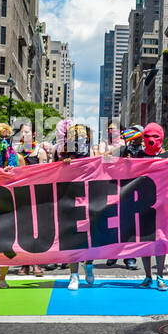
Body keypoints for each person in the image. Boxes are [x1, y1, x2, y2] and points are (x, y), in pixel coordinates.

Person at [125, 123, 168, 290]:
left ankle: (160, 276)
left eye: (155, 136)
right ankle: (147, 276)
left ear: (161, 137)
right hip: (143, 203)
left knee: (160, 242)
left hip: (163, 204)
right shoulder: (138, 155)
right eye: (147, 136)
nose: (151, 140)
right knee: (145, 241)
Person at [55, 123, 95, 291]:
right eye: (75, 136)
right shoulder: (62, 152)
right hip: (70, 199)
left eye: (82, 136)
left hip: (89, 198)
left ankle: (89, 265)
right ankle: (74, 275)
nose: (79, 139)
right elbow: (53, 174)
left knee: (90, 237)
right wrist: (63, 164)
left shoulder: (92, 152)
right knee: (73, 239)